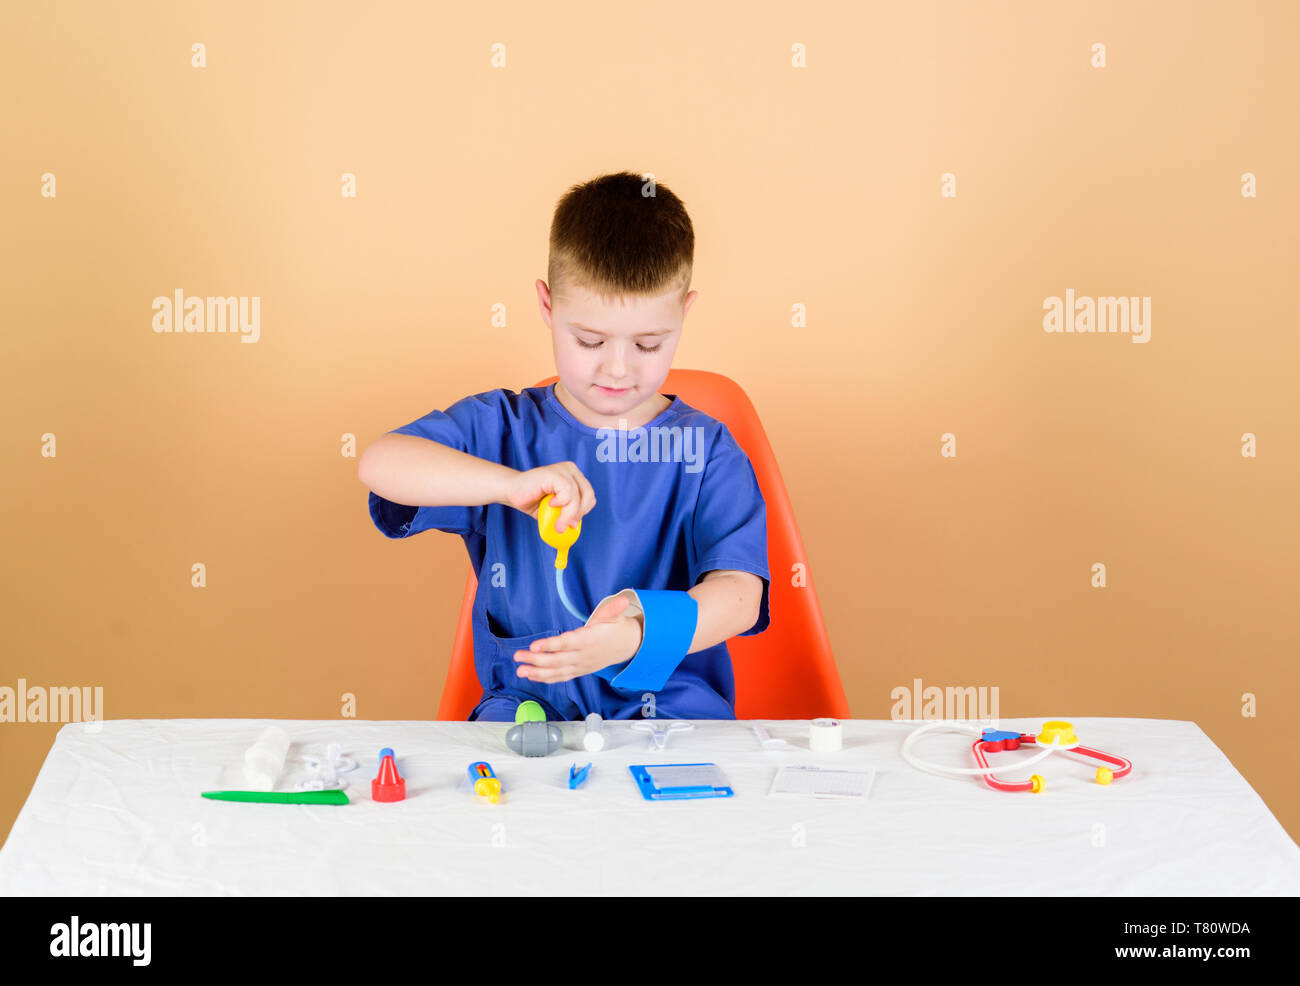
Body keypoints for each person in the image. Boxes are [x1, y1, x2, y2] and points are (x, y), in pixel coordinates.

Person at [359, 171, 770, 721]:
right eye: (589, 340)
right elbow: (380, 463)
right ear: (548, 306)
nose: (618, 369)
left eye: (649, 344)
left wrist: (637, 634)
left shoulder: (708, 451)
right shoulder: (502, 430)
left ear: (683, 314)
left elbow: (740, 596)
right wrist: (509, 485)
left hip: (673, 717)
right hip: (529, 709)